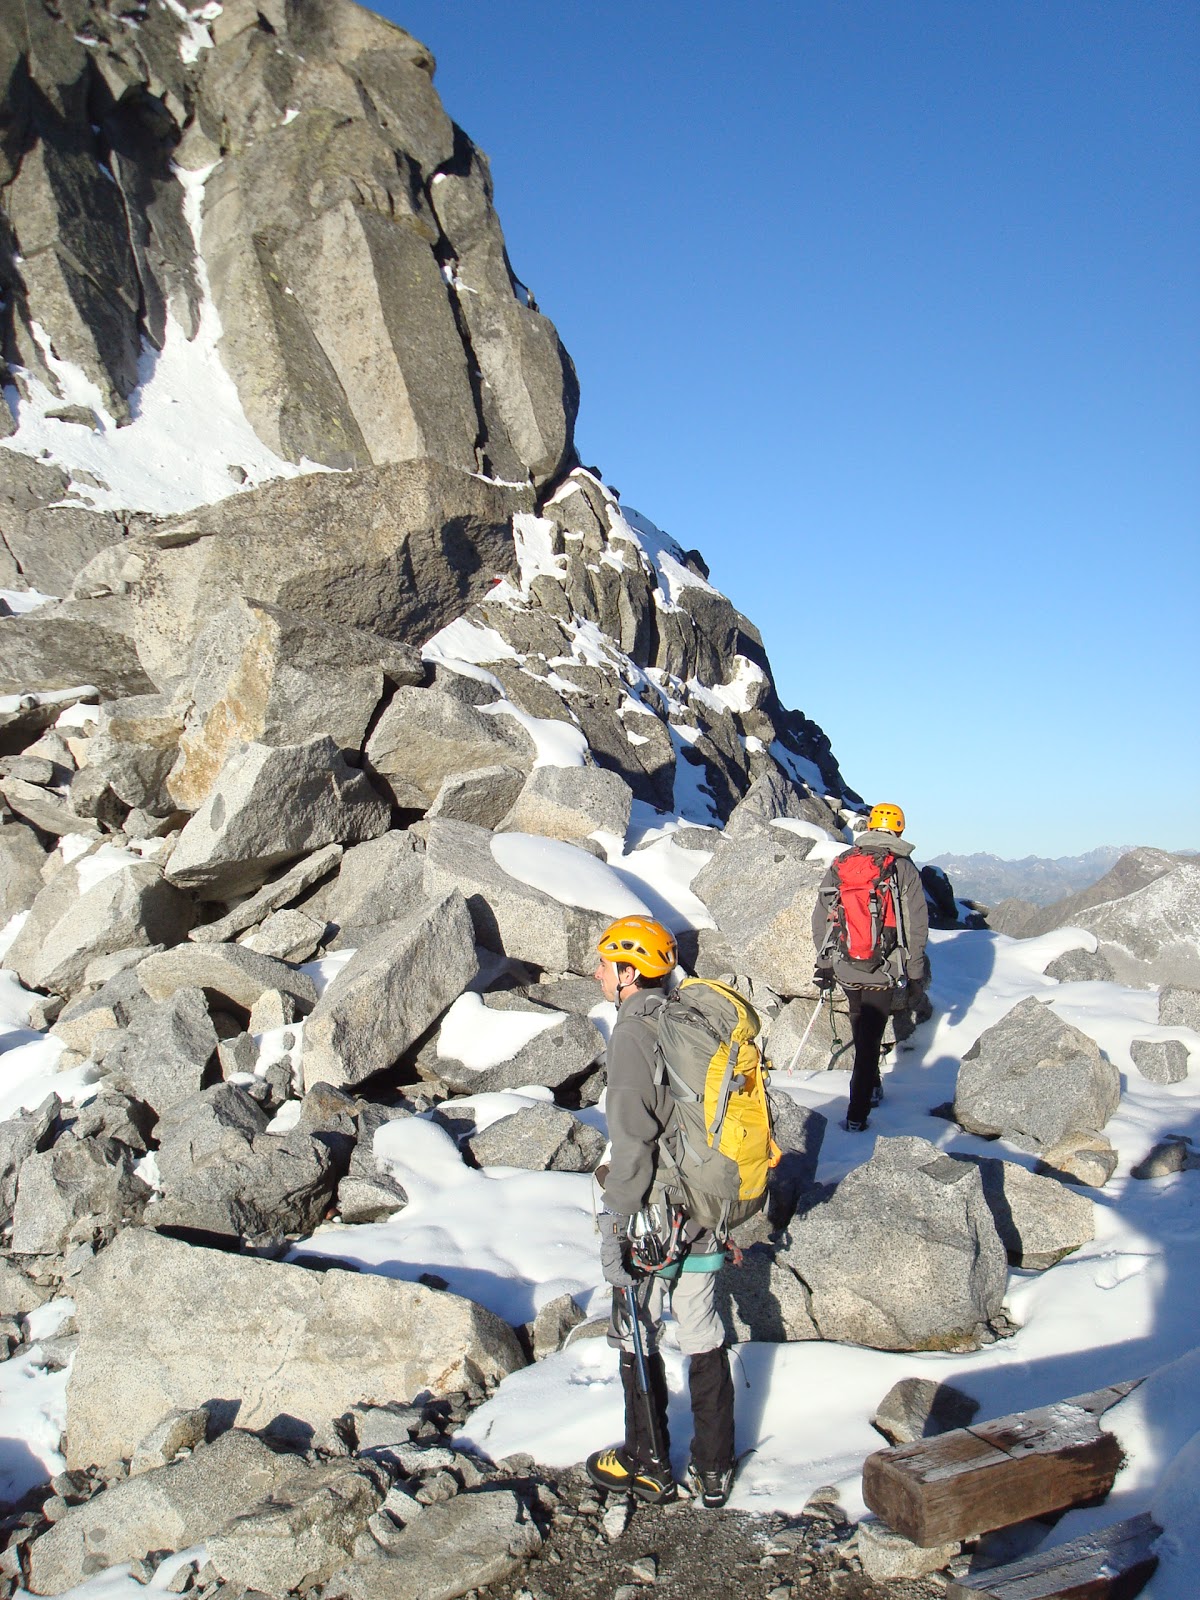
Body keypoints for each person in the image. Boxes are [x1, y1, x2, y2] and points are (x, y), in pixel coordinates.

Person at [585, 914, 736, 1509]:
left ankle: (649, 1462)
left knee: (636, 1324)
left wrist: (614, 1225)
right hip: (704, 1203)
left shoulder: (631, 1034)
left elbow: (631, 1140)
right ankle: (714, 1468)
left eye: (604, 963)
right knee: (702, 1329)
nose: (597, 972)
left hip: (655, 1214)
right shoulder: (687, 1018)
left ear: (628, 972)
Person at [811, 802, 930, 1131]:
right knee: (868, 1041)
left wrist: (824, 962)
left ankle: (872, 1085)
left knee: (860, 1022)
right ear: (899, 830)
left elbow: (823, 914)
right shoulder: (902, 868)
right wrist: (915, 973)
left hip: (846, 963)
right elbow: (917, 925)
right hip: (883, 967)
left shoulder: (843, 862)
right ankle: (856, 1114)